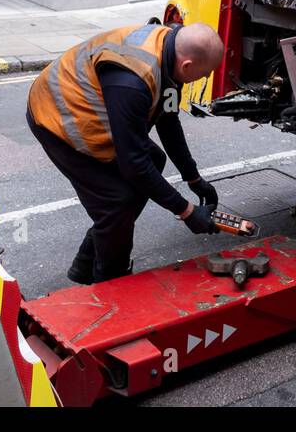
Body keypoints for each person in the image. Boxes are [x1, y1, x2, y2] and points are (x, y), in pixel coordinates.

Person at [25, 21, 226, 284]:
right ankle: (111, 280)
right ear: (187, 65)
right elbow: (134, 164)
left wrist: (193, 178)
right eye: (205, 74)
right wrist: (187, 211)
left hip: (96, 105)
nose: (206, 78)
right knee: (116, 201)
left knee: (154, 160)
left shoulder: (169, 55)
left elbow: (168, 121)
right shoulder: (132, 82)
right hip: (57, 117)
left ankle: (86, 263)